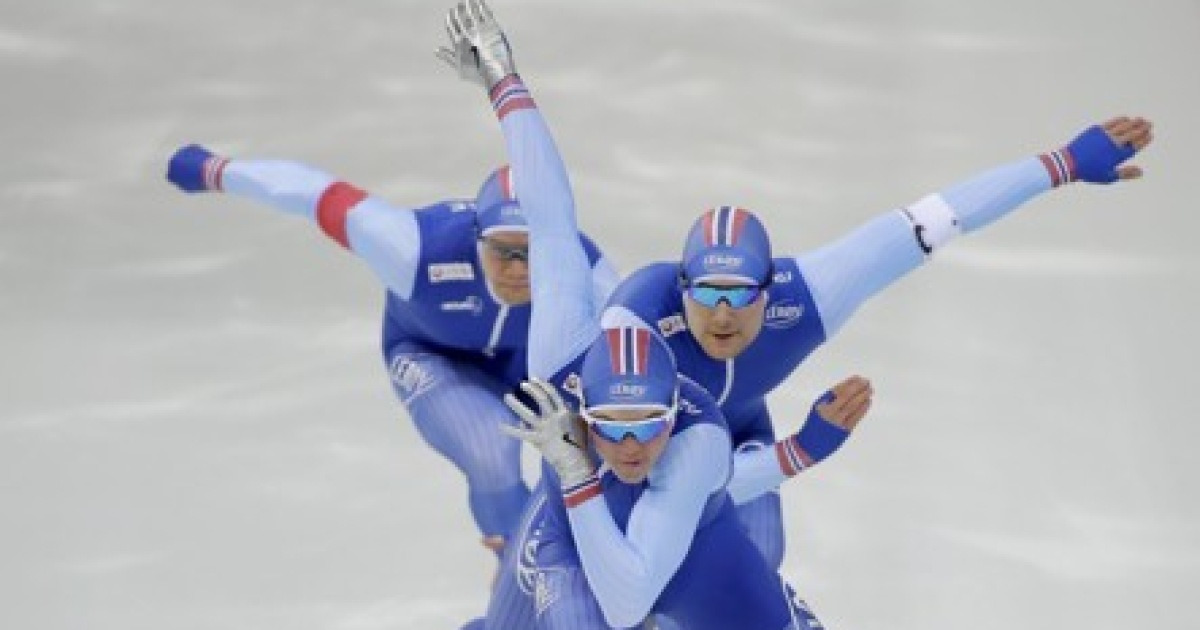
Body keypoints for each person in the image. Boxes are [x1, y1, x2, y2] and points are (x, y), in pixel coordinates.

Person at [438, 2, 871, 628]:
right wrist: (503, 78)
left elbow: (630, 597)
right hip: (569, 538)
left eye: (648, 426)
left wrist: (577, 469)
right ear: (583, 408)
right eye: (611, 427)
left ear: (675, 411)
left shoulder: (698, 440)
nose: (632, 447)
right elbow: (550, 215)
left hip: (679, 559)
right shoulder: (560, 357)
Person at [164, 146, 621, 560]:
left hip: (533, 362)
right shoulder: (413, 246)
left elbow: (635, 347)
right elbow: (314, 193)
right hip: (433, 354)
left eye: (534, 252)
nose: (518, 270)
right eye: (504, 252)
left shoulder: (588, 271)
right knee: (489, 449)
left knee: (611, 439)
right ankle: (521, 565)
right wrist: (215, 170)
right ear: (476, 237)